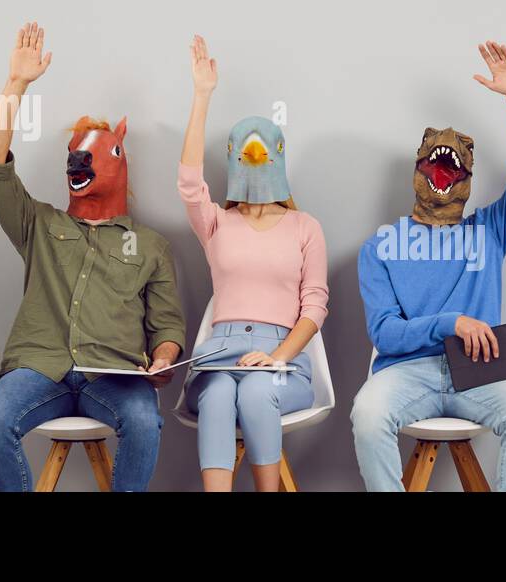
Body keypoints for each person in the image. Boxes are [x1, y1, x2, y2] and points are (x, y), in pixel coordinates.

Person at [0, 23, 185, 492]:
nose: (79, 165)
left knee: (145, 424)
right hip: (39, 368)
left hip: (113, 373)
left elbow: (167, 327)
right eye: (74, 156)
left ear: (118, 158)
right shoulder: (40, 224)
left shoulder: (151, 246)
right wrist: (17, 84)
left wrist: (164, 357)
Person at [351, 41, 506, 492]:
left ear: (466, 180)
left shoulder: (489, 230)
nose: (443, 171)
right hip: (406, 372)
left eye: (454, 169)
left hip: (479, 372)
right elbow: (384, 333)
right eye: (434, 163)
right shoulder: (381, 247)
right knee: (367, 414)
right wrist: (451, 322)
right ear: (418, 169)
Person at [178, 36, 329, 492]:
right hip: (220, 351)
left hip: (282, 357)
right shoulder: (217, 223)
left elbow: (315, 307)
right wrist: (202, 95)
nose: (256, 155)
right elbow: (189, 183)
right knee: (221, 394)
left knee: (259, 390)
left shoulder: (306, 227)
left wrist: (278, 356)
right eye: (245, 148)